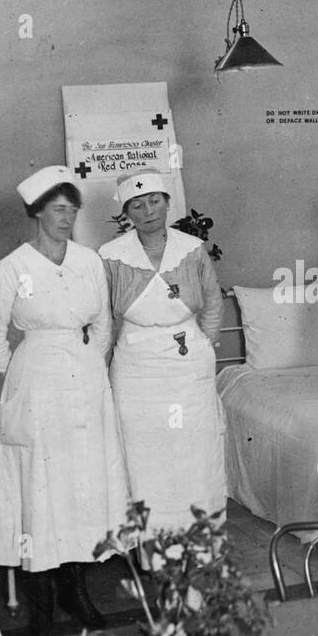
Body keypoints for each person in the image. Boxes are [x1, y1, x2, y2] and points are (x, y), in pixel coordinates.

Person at [0, 166, 130, 631]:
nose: (67, 218)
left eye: (72, 210)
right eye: (58, 210)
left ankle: (76, 589)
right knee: (38, 490)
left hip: (84, 382)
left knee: (81, 488)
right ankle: (40, 603)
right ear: (37, 212)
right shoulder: (11, 269)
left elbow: (102, 322)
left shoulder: (87, 262)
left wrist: (89, 365)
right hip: (36, 383)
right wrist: (23, 377)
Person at [99, 170, 226, 533]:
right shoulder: (111, 256)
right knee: (145, 456)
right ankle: (153, 546)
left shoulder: (192, 249)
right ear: (127, 212)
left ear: (167, 203)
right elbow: (103, 316)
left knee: (192, 451)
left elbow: (213, 302)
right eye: (137, 204)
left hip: (187, 366)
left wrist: (204, 343)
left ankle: (198, 541)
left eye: (154, 200)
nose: (148, 210)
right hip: (137, 367)